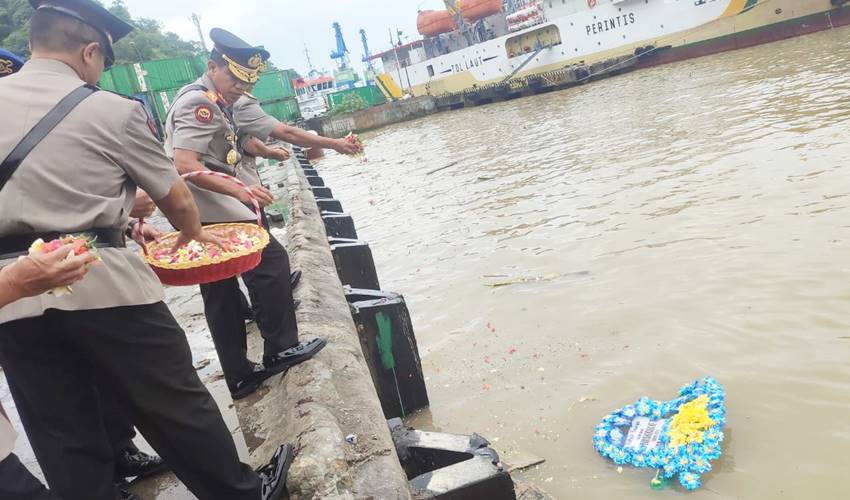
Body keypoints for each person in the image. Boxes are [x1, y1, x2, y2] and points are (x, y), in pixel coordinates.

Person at [0, 2, 292, 499]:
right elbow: (173, 192)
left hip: (12, 296)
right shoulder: (109, 109)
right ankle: (240, 493)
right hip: (99, 277)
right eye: (101, 61)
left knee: (61, 428)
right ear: (90, 50)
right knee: (172, 400)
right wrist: (195, 234)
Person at [0, 40, 168, 494]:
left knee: (98, 382)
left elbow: (62, 196)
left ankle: (118, 452)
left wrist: (130, 226)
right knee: (56, 408)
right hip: (16, 287)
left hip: (73, 266)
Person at [164, 28, 326, 401]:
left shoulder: (214, 99)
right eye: (234, 76)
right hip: (211, 207)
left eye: (247, 79)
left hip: (198, 209)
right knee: (270, 263)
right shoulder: (199, 103)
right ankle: (280, 349)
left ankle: (239, 375)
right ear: (212, 66)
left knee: (219, 290)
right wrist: (240, 189)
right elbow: (185, 163)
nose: (240, 86)